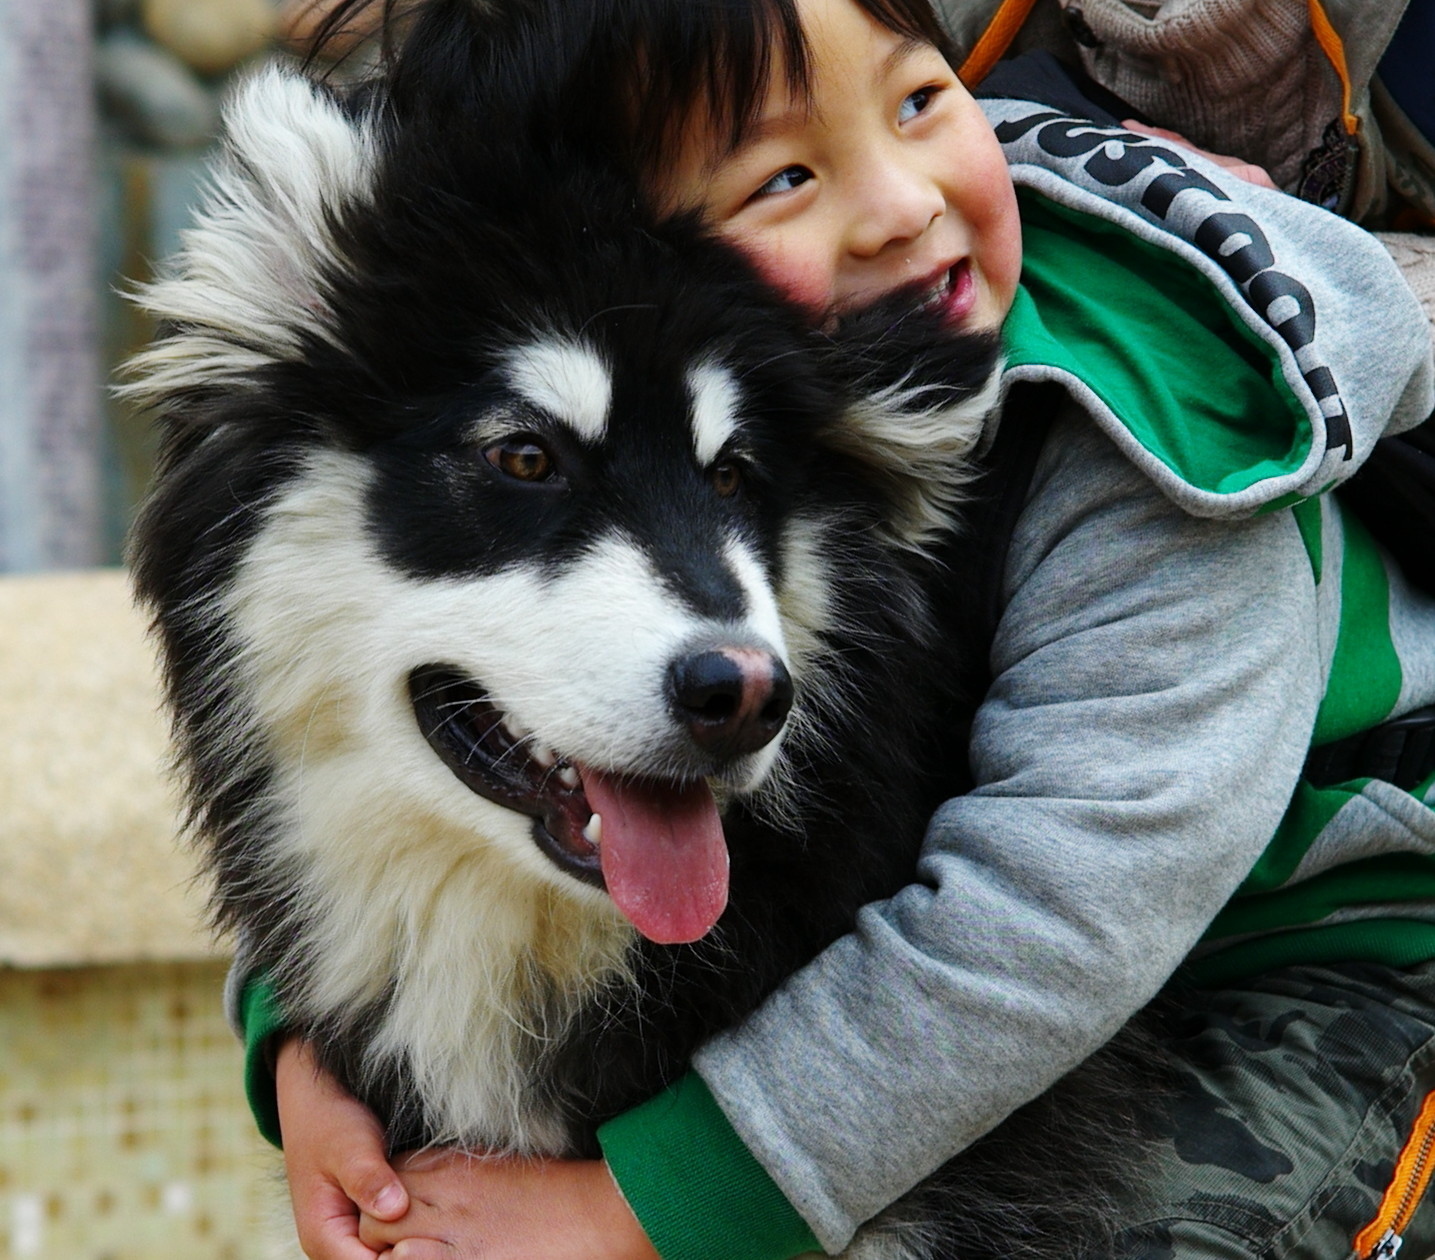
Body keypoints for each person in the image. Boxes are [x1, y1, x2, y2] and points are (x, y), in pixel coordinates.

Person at [239, 1, 1435, 1257]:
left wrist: (642, 1208)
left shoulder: (1154, 427)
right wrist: (308, 1045)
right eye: (786, 177)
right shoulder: (738, 401)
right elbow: (322, 768)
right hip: (991, 977)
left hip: (1323, 965)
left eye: (921, 101)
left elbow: (1070, 899)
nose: (903, 204)